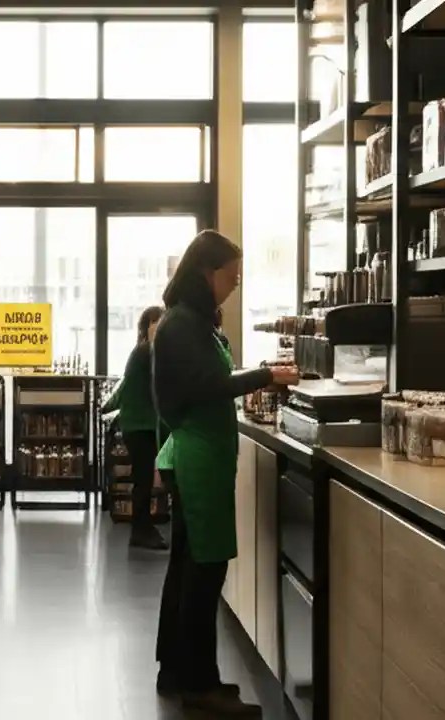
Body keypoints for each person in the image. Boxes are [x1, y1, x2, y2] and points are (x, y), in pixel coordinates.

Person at [152, 230, 299, 717]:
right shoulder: (181, 326)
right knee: (205, 571)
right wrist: (266, 375)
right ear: (205, 273)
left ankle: (175, 668)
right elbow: (208, 385)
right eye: (230, 275)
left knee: (188, 568)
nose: (234, 283)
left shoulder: (189, 322)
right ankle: (201, 684)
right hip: (198, 459)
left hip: (199, 456)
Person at [103, 305, 169, 550]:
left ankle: (143, 527)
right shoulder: (148, 352)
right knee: (143, 480)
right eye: (157, 323)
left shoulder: (141, 352)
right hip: (141, 425)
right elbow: (157, 390)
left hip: (137, 424)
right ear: (148, 326)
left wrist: (106, 407)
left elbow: (123, 390)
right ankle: (141, 530)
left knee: (142, 479)